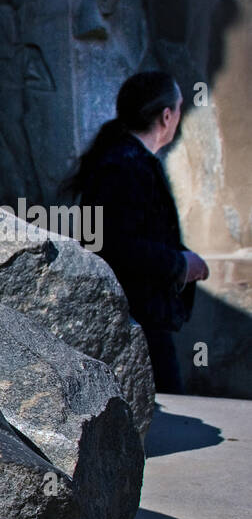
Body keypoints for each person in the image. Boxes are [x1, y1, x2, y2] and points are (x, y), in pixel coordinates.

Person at [63, 71, 209, 392]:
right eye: (180, 107)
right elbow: (116, 245)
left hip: (139, 316)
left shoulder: (127, 160)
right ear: (167, 116)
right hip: (133, 319)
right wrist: (180, 264)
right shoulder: (124, 165)